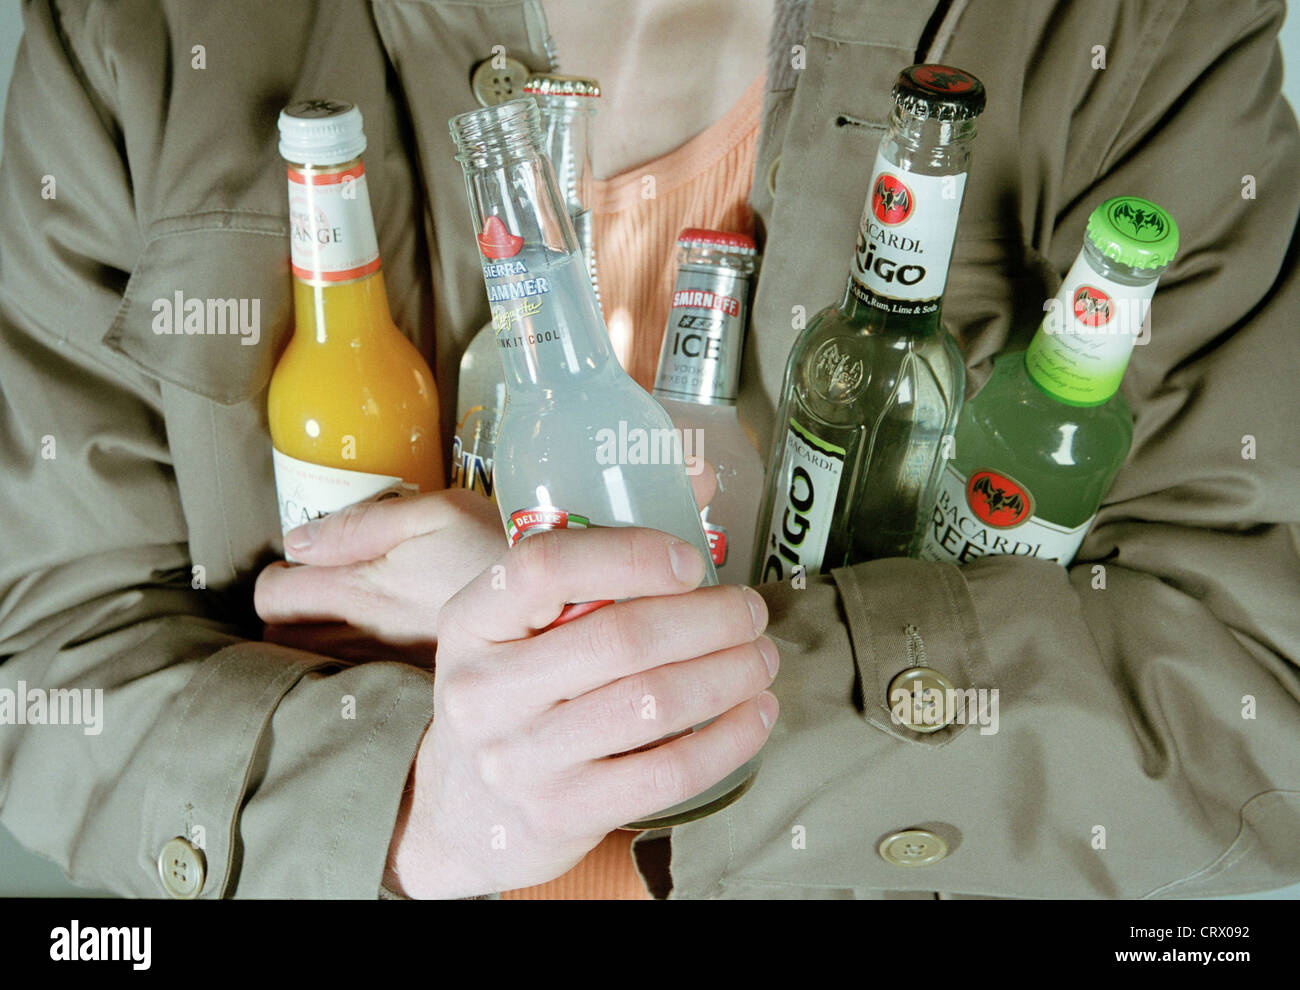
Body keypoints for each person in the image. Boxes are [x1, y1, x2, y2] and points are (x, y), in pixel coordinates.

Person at [0, 0, 1296, 900]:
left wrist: (589, 662)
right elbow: (42, 665)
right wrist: (403, 805)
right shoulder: (145, 38)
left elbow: (1252, 699)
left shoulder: (1142, 42)